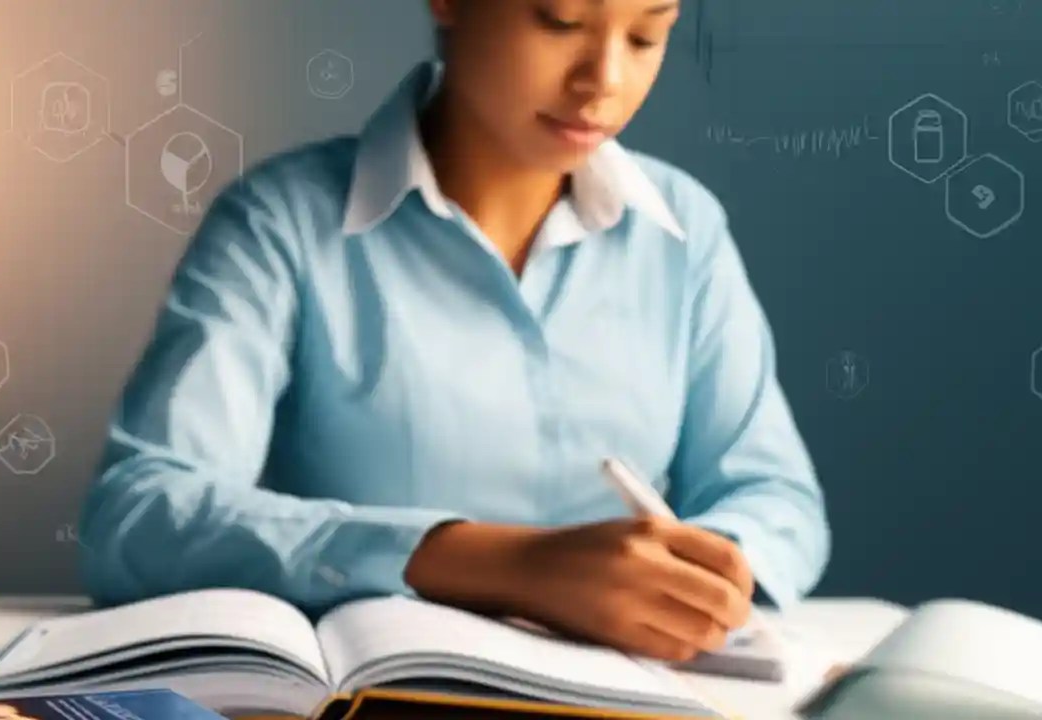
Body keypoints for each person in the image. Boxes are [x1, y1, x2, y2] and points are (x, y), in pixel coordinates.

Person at [79, 0, 830, 664]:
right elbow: (142, 513)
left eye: (645, 35)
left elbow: (776, 499)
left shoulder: (682, 231)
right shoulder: (284, 222)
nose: (604, 80)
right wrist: (506, 565)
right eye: (561, 21)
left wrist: (702, 576)